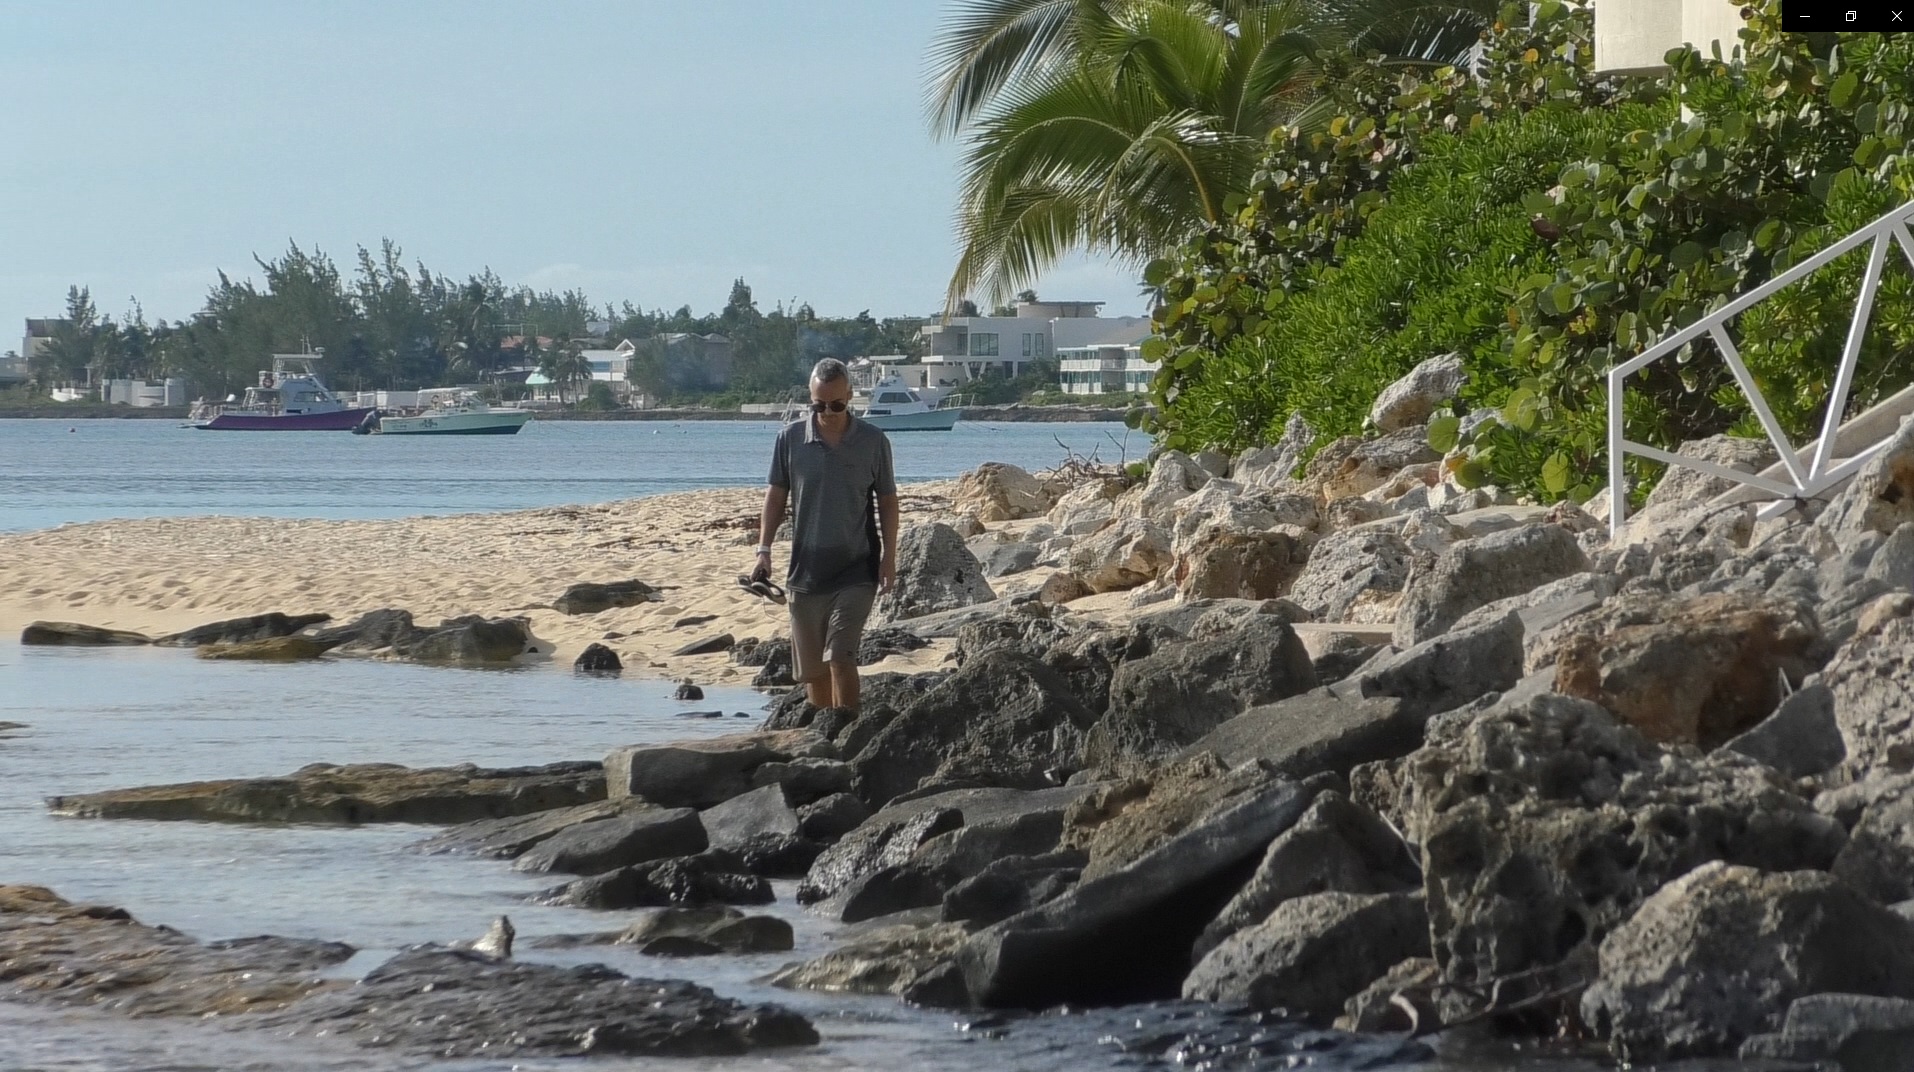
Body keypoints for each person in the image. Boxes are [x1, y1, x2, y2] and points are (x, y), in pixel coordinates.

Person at [755, 358, 899, 713]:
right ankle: (822, 744)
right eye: (819, 405)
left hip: (856, 570)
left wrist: (889, 557)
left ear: (851, 395)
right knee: (814, 674)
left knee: (839, 657)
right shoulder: (790, 439)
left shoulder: (873, 441)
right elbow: (776, 496)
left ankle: (849, 730)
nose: (828, 412)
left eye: (837, 404)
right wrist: (763, 550)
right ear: (810, 397)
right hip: (805, 574)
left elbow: (888, 500)